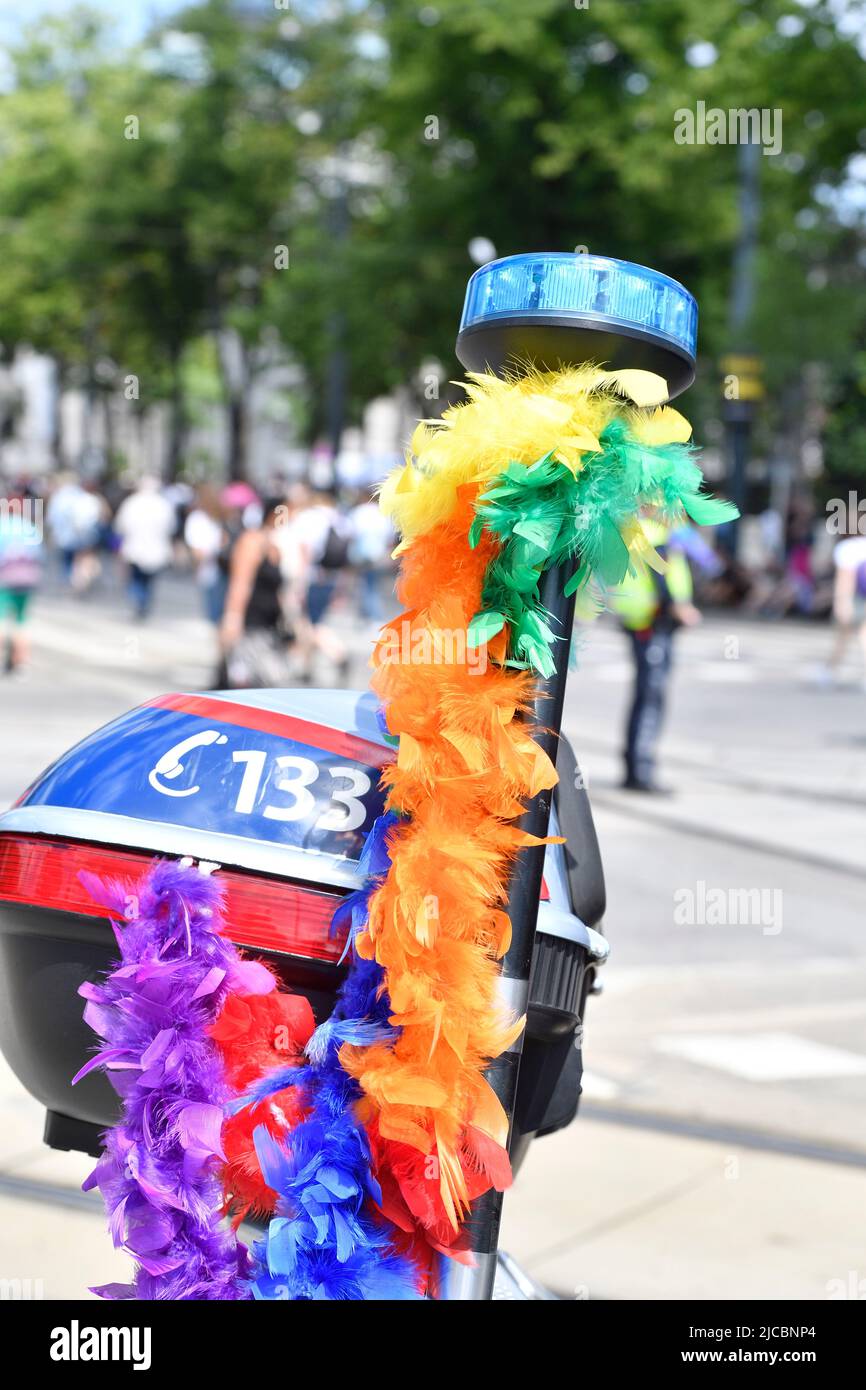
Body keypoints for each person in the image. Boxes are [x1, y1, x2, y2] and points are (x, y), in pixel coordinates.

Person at [611, 514, 700, 793]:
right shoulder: (655, 534)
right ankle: (641, 769)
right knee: (651, 696)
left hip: (641, 620)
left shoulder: (636, 530)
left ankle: (633, 766)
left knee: (644, 694)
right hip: (654, 620)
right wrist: (679, 608)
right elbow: (661, 576)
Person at [220, 496, 294, 688]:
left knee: (265, 682)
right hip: (251, 625)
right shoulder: (252, 541)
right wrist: (233, 617)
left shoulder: (275, 546)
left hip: (270, 626)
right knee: (246, 683)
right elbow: (240, 582)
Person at [112, 476, 176, 620]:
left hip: (138, 548)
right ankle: (141, 603)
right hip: (150, 548)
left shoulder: (132, 503)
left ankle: (140, 602)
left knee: (138, 578)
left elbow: (121, 526)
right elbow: (171, 527)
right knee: (146, 580)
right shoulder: (163, 504)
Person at [0, 488, 43, 674]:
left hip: (4, 578)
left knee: (1, 620)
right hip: (26, 579)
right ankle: (20, 662)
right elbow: (39, 555)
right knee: (22, 621)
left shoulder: (1, 526)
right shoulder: (29, 527)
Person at [819, 526, 866, 686]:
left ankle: (829, 672)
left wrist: (841, 602)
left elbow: (845, 578)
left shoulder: (847, 548)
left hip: (854, 598)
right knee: (862, 635)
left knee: (843, 636)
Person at [349, 488, 394, 623]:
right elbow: (390, 536)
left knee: (365, 583)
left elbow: (352, 533)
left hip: (360, 553)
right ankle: (369, 613)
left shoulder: (358, 512)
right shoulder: (383, 513)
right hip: (378, 552)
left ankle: (372, 615)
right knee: (372, 583)